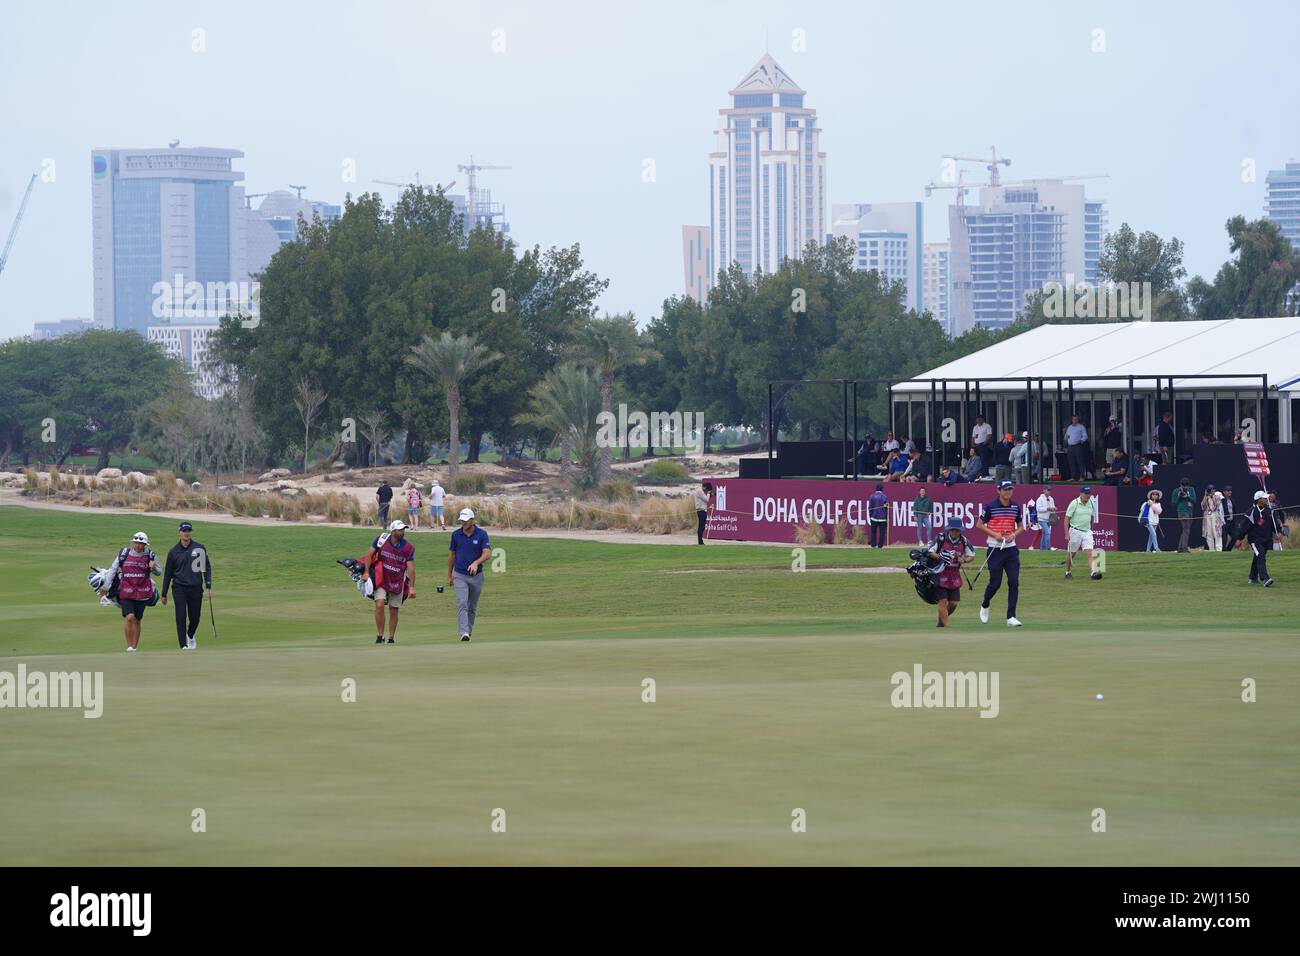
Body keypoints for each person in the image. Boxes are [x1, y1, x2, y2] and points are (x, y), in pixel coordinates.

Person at [98, 532, 161, 652]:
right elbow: (112, 570)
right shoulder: (124, 554)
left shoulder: (150, 555)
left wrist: (153, 567)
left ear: (145, 545)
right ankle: (129, 646)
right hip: (126, 591)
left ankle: (134, 647)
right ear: (133, 543)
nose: (138, 546)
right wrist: (105, 588)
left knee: (137, 619)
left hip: (143, 593)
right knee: (129, 617)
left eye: (141, 543)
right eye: (136, 543)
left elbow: (159, 572)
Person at [975, 479, 1024, 627]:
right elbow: (979, 524)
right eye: (1005, 489)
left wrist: (1014, 535)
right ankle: (985, 604)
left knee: (1014, 582)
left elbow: (1020, 526)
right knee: (995, 583)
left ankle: (1011, 617)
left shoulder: (1015, 506)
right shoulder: (990, 506)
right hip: (995, 549)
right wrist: (994, 534)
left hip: (1011, 549)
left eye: (1010, 489)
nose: (1008, 492)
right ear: (999, 491)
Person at [160, 520, 213, 651]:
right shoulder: (173, 552)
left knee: (195, 618)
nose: (186, 533)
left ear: (191, 532)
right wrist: (164, 593)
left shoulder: (199, 548)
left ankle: (190, 635)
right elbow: (168, 574)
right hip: (179, 588)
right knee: (181, 615)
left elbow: (206, 568)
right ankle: (183, 645)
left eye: (188, 531)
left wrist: (208, 585)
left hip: (195, 588)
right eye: (184, 531)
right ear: (179, 533)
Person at [362, 520, 415, 644]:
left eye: (403, 529)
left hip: (398, 580)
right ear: (393, 531)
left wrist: (411, 587)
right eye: (400, 530)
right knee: (379, 604)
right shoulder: (381, 539)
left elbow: (411, 568)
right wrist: (366, 572)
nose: (403, 532)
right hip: (382, 578)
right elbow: (369, 555)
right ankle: (380, 636)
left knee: (394, 609)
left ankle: (391, 638)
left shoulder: (408, 547)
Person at [448, 508, 492, 641]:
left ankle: (469, 632)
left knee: (472, 606)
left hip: (477, 576)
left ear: (473, 520)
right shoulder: (456, 535)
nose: (463, 523)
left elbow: (487, 553)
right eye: (461, 521)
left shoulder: (482, 534)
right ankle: (464, 633)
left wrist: (476, 563)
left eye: (466, 521)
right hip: (459, 574)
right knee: (462, 603)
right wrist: (449, 575)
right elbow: (452, 556)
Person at [927, 517, 975, 628]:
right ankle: (945, 627)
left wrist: (964, 560)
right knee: (943, 601)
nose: (955, 532)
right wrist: (940, 557)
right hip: (940, 573)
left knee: (953, 603)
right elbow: (930, 551)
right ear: (949, 529)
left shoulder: (964, 540)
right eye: (953, 529)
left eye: (957, 530)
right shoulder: (941, 538)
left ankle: (941, 620)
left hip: (955, 575)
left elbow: (971, 555)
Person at [1063, 486, 1096, 579]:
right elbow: (1066, 519)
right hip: (1075, 531)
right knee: (1072, 553)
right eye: (1086, 494)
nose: (1088, 495)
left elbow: (1091, 517)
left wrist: (1091, 530)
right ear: (1081, 494)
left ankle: (1094, 573)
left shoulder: (1091, 503)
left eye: (1089, 493)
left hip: (1087, 531)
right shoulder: (1074, 503)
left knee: (1090, 552)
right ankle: (1067, 571)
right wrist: (1066, 533)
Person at [1246, 490, 1275, 586]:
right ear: (1258, 500)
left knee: (1257, 558)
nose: (1267, 499)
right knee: (1261, 557)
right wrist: (1239, 538)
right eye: (1264, 498)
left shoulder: (1268, 510)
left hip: (1266, 539)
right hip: (1255, 540)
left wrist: (1277, 532)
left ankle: (1252, 578)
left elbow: (1271, 524)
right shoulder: (1251, 511)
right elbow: (1244, 526)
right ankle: (1265, 579)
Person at [1174, 477, 1197, 552]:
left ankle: (1180, 548)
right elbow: (1174, 503)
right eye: (1184, 485)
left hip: (1190, 511)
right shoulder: (1176, 491)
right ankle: (1184, 548)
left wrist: (1188, 497)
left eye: (1186, 485)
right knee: (1186, 529)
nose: (1185, 487)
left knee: (1185, 530)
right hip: (1182, 512)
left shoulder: (1191, 489)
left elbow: (1194, 500)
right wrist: (1179, 497)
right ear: (1180, 484)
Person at [1033, 484, 1058, 551]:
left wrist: (1055, 514)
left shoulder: (1051, 499)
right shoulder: (1040, 499)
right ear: (1044, 490)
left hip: (1049, 519)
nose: (1049, 492)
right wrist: (1047, 508)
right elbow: (1038, 509)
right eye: (1048, 490)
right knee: (1047, 532)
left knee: (1044, 534)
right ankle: (1049, 547)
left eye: (1050, 490)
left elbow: (1052, 509)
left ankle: (1042, 549)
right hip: (1041, 519)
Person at [1065, 414, 1088, 481]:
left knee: (1080, 461)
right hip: (1070, 446)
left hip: (1077, 446)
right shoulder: (1069, 427)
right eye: (1074, 419)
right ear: (1072, 420)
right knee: (1071, 462)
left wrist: (1081, 441)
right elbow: (1067, 436)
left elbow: (1085, 436)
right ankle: (1073, 477)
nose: (1075, 420)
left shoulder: (1081, 427)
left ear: (1078, 420)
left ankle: (1082, 477)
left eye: (1076, 419)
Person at [1201, 485, 1224, 552]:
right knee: (1209, 534)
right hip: (1207, 516)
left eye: (1211, 490)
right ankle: (1211, 550)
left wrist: (1213, 496)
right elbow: (1203, 506)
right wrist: (1206, 496)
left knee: (1217, 533)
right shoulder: (1206, 497)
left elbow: (1215, 507)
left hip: (1216, 516)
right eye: (1209, 490)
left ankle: (1219, 550)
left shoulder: (1218, 495)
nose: (1210, 491)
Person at [867, 483, 888, 548]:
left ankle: (873, 545)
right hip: (882, 518)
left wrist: (870, 515)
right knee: (882, 532)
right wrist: (886, 516)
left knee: (873, 531)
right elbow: (886, 507)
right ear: (882, 489)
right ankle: (880, 545)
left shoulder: (871, 496)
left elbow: (870, 507)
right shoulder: (885, 497)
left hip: (874, 517)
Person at [694, 480, 714, 545]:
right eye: (707, 489)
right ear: (705, 487)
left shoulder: (699, 491)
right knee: (701, 527)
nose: (706, 491)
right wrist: (708, 493)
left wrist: (711, 495)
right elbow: (706, 500)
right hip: (701, 511)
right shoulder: (700, 491)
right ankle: (700, 541)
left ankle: (700, 541)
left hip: (701, 510)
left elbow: (704, 499)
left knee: (702, 527)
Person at [1220, 485, 1236, 551]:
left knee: (1235, 536)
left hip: (1231, 522)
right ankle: (1223, 550)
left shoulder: (1233, 500)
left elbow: (1235, 510)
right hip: (1224, 522)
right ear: (1224, 492)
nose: (1230, 492)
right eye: (1228, 490)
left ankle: (1228, 549)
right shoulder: (1221, 501)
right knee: (1224, 538)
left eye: (1231, 490)